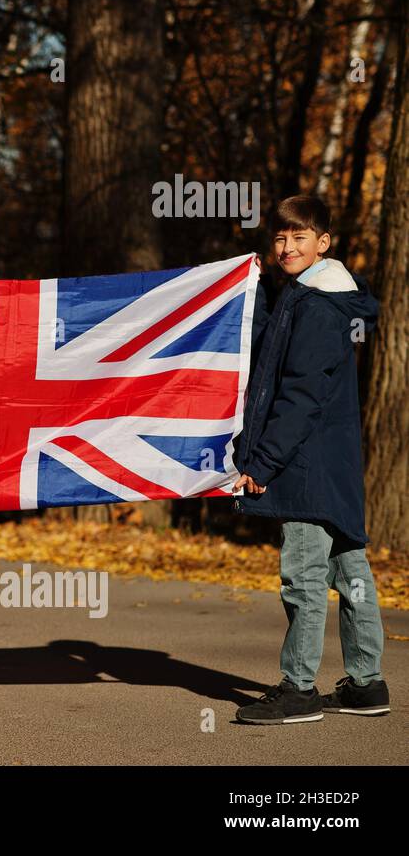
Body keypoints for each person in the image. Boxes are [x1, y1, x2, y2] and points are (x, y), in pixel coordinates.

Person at [233, 194, 390, 724]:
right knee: (351, 572)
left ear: (323, 243)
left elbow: (301, 394)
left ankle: (299, 690)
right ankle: (366, 684)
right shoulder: (310, 297)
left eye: (299, 237)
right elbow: (270, 362)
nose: (286, 246)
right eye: (279, 237)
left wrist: (265, 461)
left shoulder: (319, 305)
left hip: (305, 463)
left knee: (302, 574)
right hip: (335, 463)